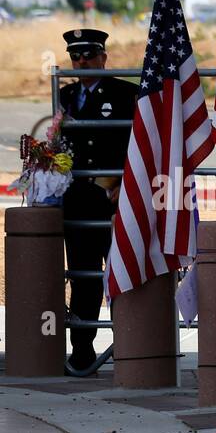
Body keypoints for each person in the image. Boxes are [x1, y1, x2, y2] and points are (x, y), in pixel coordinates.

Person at [58, 29, 138, 373]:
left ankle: (133, 348)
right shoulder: (64, 96)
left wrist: (125, 181)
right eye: (76, 56)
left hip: (117, 196)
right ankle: (83, 350)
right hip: (80, 197)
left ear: (103, 56)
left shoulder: (125, 93)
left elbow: (139, 143)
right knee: (84, 276)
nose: (82, 62)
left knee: (124, 272)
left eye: (89, 55)